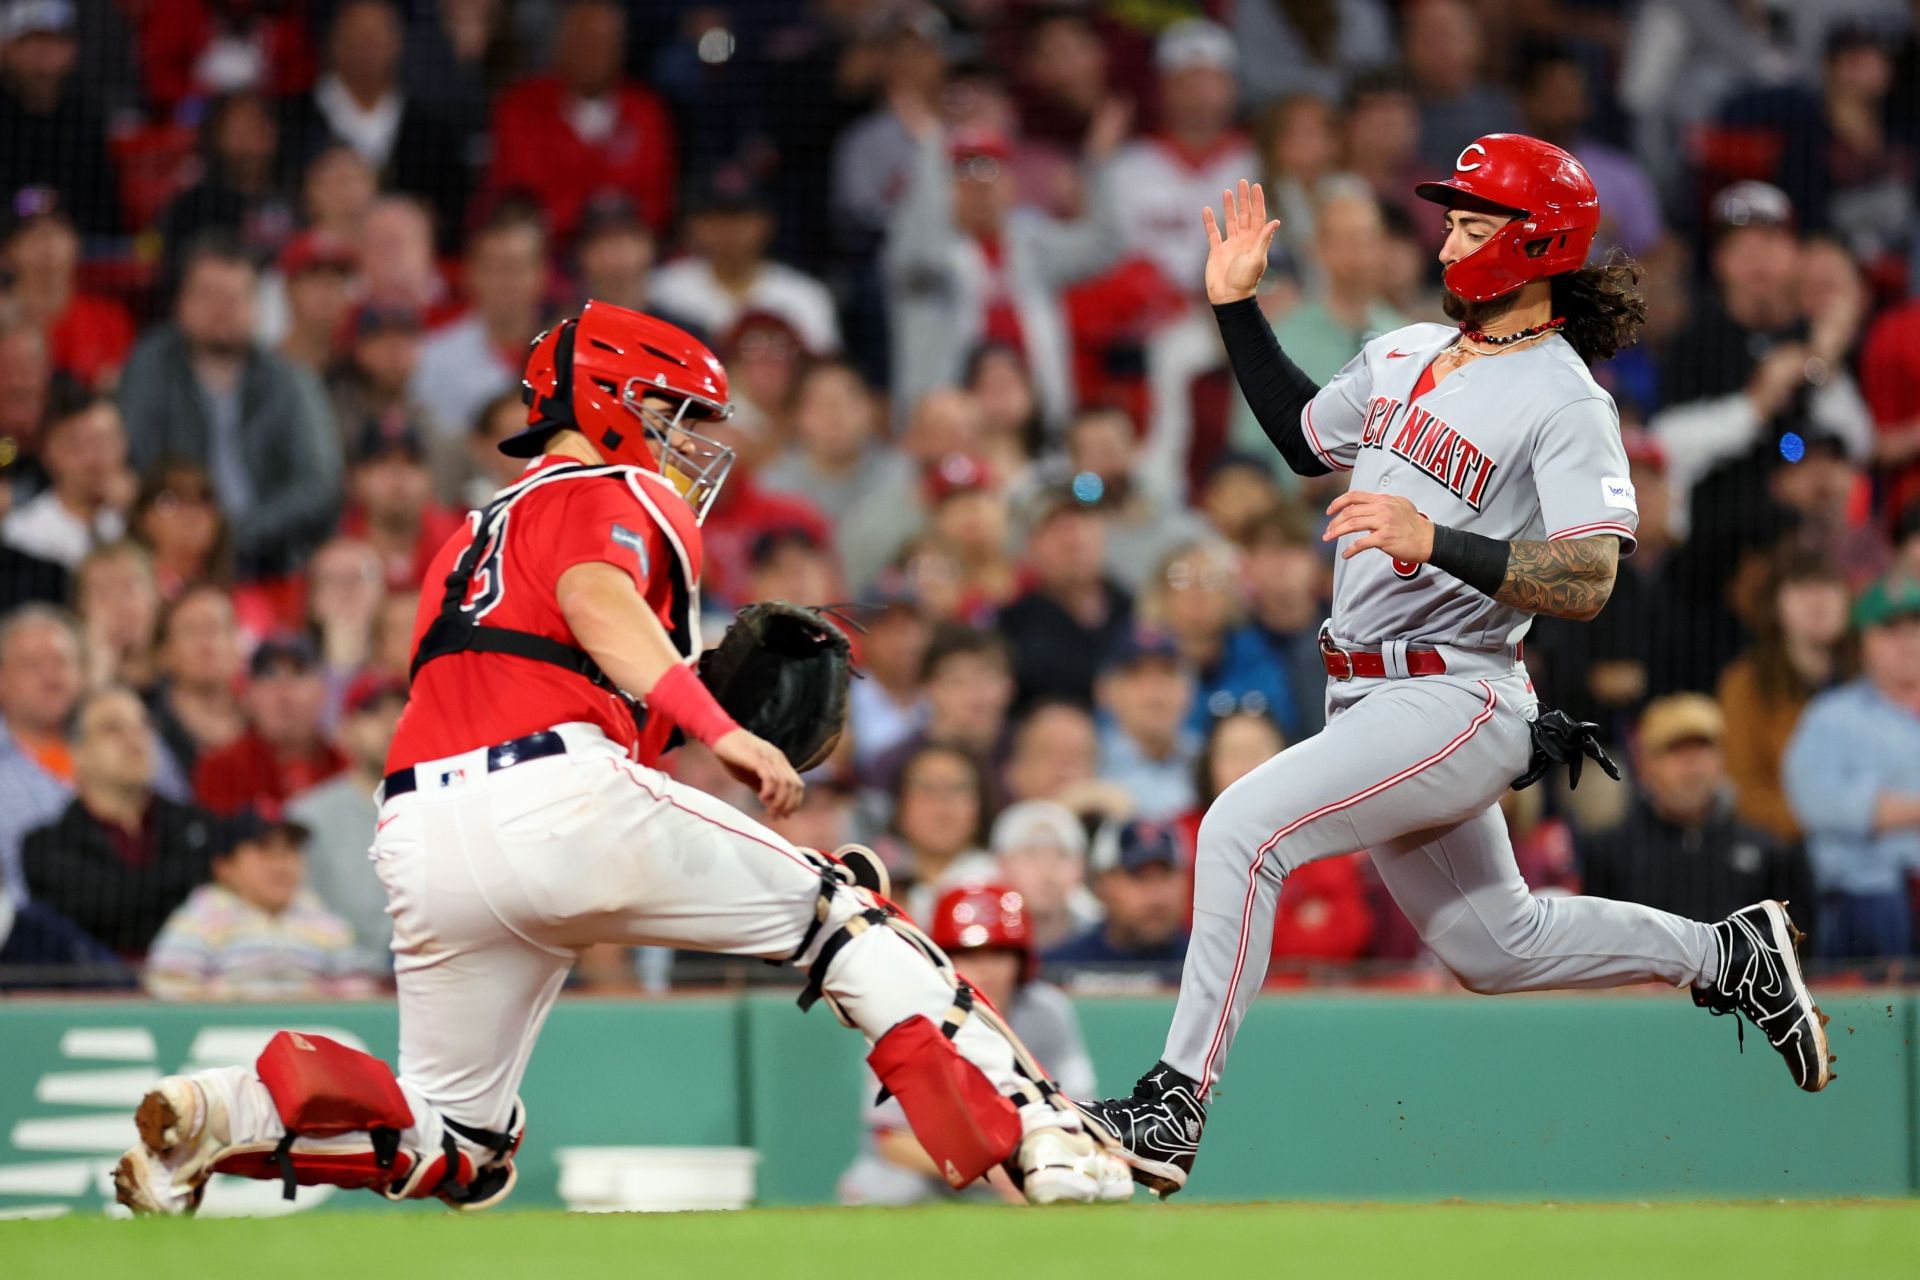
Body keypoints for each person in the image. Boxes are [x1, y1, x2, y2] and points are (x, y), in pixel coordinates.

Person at [112, 303, 1127, 1216]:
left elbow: (551, 664)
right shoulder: (620, 485)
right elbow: (599, 601)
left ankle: (234, 1105)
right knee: (845, 911)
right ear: (608, 398)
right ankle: (1045, 1139)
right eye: (670, 410)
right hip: (557, 799)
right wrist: (718, 725)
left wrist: (678, 717)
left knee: (461, 1144)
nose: (683, 443)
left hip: (423, 831)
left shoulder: (468, 533)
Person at [1079, 143, 1836, 1203]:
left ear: (1536, 243)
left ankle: (1174, 1101)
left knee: (1243, 830)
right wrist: (1236, 311)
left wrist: (1435, 537)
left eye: (1474, 223)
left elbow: (1587, 575)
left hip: (1456, 688)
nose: (1447, 237)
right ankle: (1729, 954)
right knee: (1497, 942)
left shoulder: (1566, 398)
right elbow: (1305, 439)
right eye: (1452, 220)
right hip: (1371, 688)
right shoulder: (1407, 352)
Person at [839, 882, 1096, 1205]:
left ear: (1020, 962)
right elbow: (892, 1141)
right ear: (941, 960)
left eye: (999, 954)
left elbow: (1077, 1112)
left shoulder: (1046, 1012)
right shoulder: (904, 1013)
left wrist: (1039, 1167)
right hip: (922, 1169)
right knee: (889, 1188)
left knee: (1088, 1178)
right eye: (969, 955)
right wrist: (995, 1173)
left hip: (1025, 1158)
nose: (985, 969)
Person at [117, 237, 344, 579]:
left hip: (274, 559)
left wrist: (231, 538)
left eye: (235, 297)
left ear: (257, 306)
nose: (222, 309)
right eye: (208, 295)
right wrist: (190, 528)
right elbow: (137, 462)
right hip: (167, 559)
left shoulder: (292, 381)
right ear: (181, 302)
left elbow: (318, 484)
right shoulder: (150, 368)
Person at [22, 685, 219, 956]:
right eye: (113, 729)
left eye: (142, 726)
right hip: (93, 995)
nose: (134, 738)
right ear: (77, 753)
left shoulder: (198, 825)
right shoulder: (45, 846)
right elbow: (96, 913)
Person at [1578, 696, 1810, 925]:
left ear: (1722, 759)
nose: (1691, 763)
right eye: (1675, 749)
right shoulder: (1608, 854)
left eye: (1702, 746)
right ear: (1646, 765)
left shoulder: (1770, 853)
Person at [1783, 576, 1920, 961]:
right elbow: (1819, 805)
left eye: (1915, 627)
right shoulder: (1831, 717)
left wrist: (1889, 809)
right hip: (1871, 898)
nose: (1908, 641)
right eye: (1891, 629)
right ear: (1864, 643)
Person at [1176, 708, 1373, 971]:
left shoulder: (1321, 833)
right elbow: (1193, 937)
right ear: (1208, 766)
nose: (1245, 766)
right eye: (1232, 754)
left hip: (1307, 999)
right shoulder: (1182, 836)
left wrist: (1254, 930)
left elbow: (1349, 931)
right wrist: (1293, 920)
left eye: (1257, 751)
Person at [487, 0, 676, 242]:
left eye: (601, 42)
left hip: (623, 254)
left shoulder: (647, 113)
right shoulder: (519, 107)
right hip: (545, 254)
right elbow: (517, 197)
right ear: (559, 45)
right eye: (581, 40)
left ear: (620, 49)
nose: (591, 52)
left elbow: (656, 205)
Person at [144, 806, 377, 999]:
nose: (280, 864)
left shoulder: (320, 919)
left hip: (306, 1038)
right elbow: (166, 984)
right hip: (226, 1040)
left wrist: (324, 997)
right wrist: (219, 998)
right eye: (264, 851)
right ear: (224, 866)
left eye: (290, 851)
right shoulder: (205, 914)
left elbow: (359, 991)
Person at [1107, 19, 1255, 297]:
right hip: (1148, 319)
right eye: (1187, 80)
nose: (1201, 92)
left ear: (1232, 87)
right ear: (1164, 88)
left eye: (1212, 79)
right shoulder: (1126, 166)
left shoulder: (1257, 162)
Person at [1717, 547, 1854, 842]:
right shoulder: (1745, 684)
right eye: (1802, 586)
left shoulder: (1872, 677)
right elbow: (1742, 789)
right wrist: (1827, 822)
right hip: (1785, 848)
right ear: (1776, 604)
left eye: (1829, 585)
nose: (1818, 600)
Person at [650, 171, 840, 356]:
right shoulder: (664, 288)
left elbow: (822, 374)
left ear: (766, 223)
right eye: (717, 217)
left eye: (741, 217)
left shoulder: (804, 295)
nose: (730, 229)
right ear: (694, 225)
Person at [411, 205, 551, 451]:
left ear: (541, 274)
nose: (507, 282)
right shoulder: (434, 358)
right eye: (495, 268)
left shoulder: (571, 352)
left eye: (517, 268)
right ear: (472, 274)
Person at [997, 491, 1133, 707]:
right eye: (1057, 529)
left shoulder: (1138, 611)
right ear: (1031, 547)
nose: (1074, 540)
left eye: (1084, 524)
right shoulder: (1011, 627)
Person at [0, 0, 119, 234]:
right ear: (7, 49)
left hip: (74, 243)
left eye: (53, 40)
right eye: (31, 40)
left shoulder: (85, 117)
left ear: (71, 50)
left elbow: (103, 206)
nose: (43, 52)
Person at [192, 634, 347, 814]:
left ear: (322, 690)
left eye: (298, 673)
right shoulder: (221, 770)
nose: (283, 691)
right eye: (269, 675)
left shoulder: (344, 768)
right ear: (249, 694)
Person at [0, 603, 82, 899]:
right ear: (2, 679)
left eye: (61, 661)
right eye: (31, 664)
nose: (50, 676)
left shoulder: (123, 734)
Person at [2, 385, 130, 570]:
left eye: (104, 442)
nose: (94, 459)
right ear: (47, 454)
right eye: (78, 447)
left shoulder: (140, 521)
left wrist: (134, 514)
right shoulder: (22, 534)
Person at [1045, 818, 1190, 977]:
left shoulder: (1212, 965)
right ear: (1100, 885)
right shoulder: (1057, 970)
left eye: (1165, 877)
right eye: (1139, 878)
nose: (1156, 896)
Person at [885, 741, 997, 922]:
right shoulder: (875, 890)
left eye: (957, 789)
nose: (943, 805)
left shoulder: (1003, 887)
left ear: (980, 805)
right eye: (927, 788)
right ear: (900, 806)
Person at [1095, 628, 1199, 823]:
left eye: (1168, 673)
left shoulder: (1208, 760)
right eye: (1136, 675)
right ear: (1105, 691)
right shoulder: (1089, 760)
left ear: (1190, 689)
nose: (1154, 690)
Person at [147, 582, 245, 776]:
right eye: (191, 631)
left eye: (216, 628)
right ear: (165, 653)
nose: (206, 644)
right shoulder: (145, 724)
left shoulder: (265, 719)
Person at [990, 799, 1099, 953]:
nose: (1047, 870)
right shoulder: (979, 941)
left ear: (1082, 868)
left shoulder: (1102, 937)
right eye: (1031, 853)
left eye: (1061, 854)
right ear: (1001, 864)